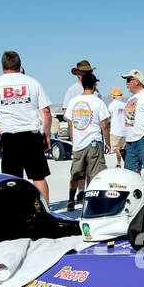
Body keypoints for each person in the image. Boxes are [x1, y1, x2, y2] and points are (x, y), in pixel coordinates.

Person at [0, 51, 54, 203]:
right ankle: (46, 212)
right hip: (31, 135)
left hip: (10, 138)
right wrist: (46, 135)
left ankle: (16, 214)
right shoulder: (33, 82)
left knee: (12, 180)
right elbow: (46, 112)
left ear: (2, 66)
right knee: (38, 177)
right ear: (20, 66)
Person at [64, 71, 111, 211]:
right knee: (96, 173)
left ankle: (71, 200)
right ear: (94, 84)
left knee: (76, 173)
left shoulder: (74, 101)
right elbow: (104, 125)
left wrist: (73, 140)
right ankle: (95, 201)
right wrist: (107, 142)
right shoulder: (98, 102)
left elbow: (70, 123)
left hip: (78, 143)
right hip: (94, 142)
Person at [120, 69, 144, 188]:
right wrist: (126, 140)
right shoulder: (130, 98)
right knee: (132, 172)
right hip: (130, 141)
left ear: (136, 81)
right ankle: (138, 193)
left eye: (128, 80)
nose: (126, 83)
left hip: (143, 139)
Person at [107, 87, 126, 164]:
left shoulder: (112, 105)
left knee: (114, 148)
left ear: (113, 96)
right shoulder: (125, 105)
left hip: (115, 131)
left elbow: (108, 116)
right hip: (125, 131)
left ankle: (120, 160)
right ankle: (119, 163)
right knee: (122, 148)